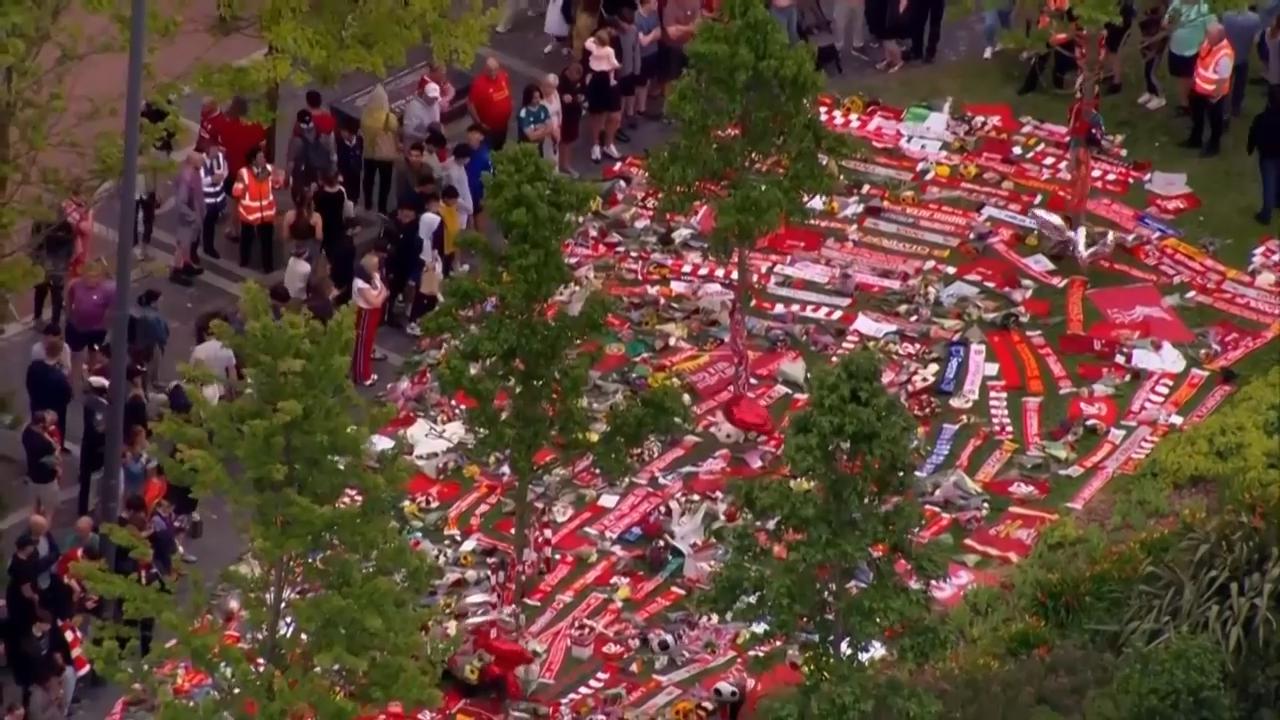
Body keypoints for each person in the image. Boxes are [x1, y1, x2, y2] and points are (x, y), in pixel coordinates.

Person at [1184, 21, 1234, 157]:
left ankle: (1214, 145)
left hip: (1213, 95)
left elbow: (1223, 79)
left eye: (1209, 34)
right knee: (1197, 116)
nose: (1206, 36)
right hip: (1199, 89)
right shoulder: (1209, 42)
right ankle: (1195, 139)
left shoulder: (1224, 55)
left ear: (1219, 37)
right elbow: (1202, 60)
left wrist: (1215, 95)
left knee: (1215, 121)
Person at [232, 146, 285, 273]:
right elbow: (236, 191)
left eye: (263, 156)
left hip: (266, 214)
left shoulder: (269, 170)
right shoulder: (243, 173)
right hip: (249, 214)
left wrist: (279, 178)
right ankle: (244, 261)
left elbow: (277, 185)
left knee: (267, 242)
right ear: (253, 160)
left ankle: (268, 266)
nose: (264, 159)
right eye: (260, 157)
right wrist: (242, 187)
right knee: (246, 240)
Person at [1165, 0, 1216, 113]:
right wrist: (1171, 21)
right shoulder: (1176, 4)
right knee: (1182, 77)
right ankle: (1185, 104)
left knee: (1194, 78)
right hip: (1176, 48)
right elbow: (1166, 24)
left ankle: (1197, 104)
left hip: (1195, 51)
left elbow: (1212, 30)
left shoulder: (1205, 8)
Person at [64, 261, 116, 370]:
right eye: (88, 276)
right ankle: (75, 376)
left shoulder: (108, 289)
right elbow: (69, 299)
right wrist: (68, 315)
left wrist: (106, 324)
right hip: (77, 327)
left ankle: (91, 371)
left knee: (94, 350)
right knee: (75, 353)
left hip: (97, 329)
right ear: (83, 275)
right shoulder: (75, 284)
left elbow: (112, 309)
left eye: (94, 276)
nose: (91, 280)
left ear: (100, 277)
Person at [360, 84, 400, 215]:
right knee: (384, 182)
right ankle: (382, 207)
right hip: (384, 155)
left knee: (368, 179)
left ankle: (367, 203)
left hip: (368, 153)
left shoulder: (365, 116)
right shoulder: (389, 117)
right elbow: (395, 129)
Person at [351, 251, 389, 387]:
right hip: (365, 314)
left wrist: (381, 295)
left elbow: (384, 290)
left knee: (368, 343)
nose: (378, 268)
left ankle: (363, 370)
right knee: (363, 345)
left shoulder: (373, 275)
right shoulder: (360, 283)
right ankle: (362, 375)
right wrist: (382, 295)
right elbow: (376, 300)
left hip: (373, 314)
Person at [26, 331, 72, 442]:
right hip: (54, 416)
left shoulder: (34, 367)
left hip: (36, 407)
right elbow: (67, 397)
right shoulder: (60, 378)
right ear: (60, 353)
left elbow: (28, 385)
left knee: (36, 438)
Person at [29, 219, 74, 328]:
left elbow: (68, 245)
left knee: (52, 294)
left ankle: (50, 322)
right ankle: (45, 320)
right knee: (47, 292)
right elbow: (34, 243)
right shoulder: (41, 223)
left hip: (52, 264)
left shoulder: (63, 224)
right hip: (50, 263)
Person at [385, 202, 423, 327]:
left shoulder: (413, 229)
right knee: (391, 291)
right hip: (395, 266)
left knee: (397, 290)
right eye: (403, 215)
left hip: (405, 266)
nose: (405, 218)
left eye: (408, 216)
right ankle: (387, 315)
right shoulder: (393, 227)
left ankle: (390, 312)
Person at [171, 149, 206, 286]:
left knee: (187, 245)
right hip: (187, 219)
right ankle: (176, 271)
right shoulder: (187, 177)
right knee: (182, 245)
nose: (203, 162)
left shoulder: (194, 173)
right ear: (192, 162)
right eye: (200, 160)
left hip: (192, 217)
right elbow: (181, 203)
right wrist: (193, 217)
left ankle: (186, 265)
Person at [77, 376, 108, 517]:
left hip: (89, 449)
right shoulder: (98, 406)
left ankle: (84, 510)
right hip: (95, 451)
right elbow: (98, 430)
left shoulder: (91, 403)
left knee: (86, 482)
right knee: (92, 483)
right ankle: (87, 512)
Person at [1248, 86, 1280, 223]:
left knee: (1269, 182)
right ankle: (1278, 201)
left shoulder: (1262, 118)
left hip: (1268, 156)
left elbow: (1253, 134)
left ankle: (1266, 214)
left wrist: (1250, 148)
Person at [190, 313, 238, 404]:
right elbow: (232, 374)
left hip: (207, 393)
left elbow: (196, 375)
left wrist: (197, 396)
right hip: (223, 392)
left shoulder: (199, 350)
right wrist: (233, 394)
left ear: (204, 333)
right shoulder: (227, 348)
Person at [1222, 7, 1261, 117]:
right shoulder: (1255, 19)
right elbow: (1256, 40)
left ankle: (1223, 109)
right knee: (1240, 83)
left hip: (1226, 56)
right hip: (1242, 57)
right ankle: (1236, 107)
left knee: (1224, 84)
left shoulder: (1225, 16)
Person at [127, 289, 169, 390]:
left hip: (134, 346)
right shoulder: (153, 317)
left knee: (139, 368)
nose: (162, 303)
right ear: (154, 302)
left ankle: (143, 386)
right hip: (150, 347)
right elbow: (161, 335)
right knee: (149, 369)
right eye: (160, 301)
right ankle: (147, 388)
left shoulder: (136, 311)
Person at [470, 58, 515, 152]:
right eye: (490, 70)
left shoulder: (503, 76)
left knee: (500, 147)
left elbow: (508, 91)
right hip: (489, 128)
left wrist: (510, 104)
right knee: (489, 151)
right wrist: (479, 123)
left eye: (496, 69)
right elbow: (471, 105)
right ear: (485, 69)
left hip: (503, 125)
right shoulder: (478, 84)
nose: (493, 73)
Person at [287, 109, 337, 191]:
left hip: (305, 177)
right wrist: (332, 170)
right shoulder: (322, 135)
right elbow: (332, 155)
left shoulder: (297, 140)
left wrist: (287, 178)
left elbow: (290, 163)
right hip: (322, 173)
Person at [21, 415, 60, 520]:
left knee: (33, 508)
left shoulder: (27, 433)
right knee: (49, 512)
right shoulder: (45, 445)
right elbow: (54, 461)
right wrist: (55, 449)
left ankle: (33, 528)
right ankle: (42, 531)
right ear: (40, 425)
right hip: (47, 480)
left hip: (33, 476)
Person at [199, 137, 229, 260]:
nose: (216, 152)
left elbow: (226, 169)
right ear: (207, 150)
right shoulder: (200, 161)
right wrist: (212, 179)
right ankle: (205, 247)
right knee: (204, 226)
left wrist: (223, 176)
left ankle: (209, 247)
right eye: (213, 149)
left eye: (217, 149)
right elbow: (199, 181)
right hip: (206, 201)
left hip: (217, 199)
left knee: (211, 225)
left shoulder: (220, 158)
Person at [1138, 0, 1170, 109]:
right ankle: (1150, 92)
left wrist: (1150, 41)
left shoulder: (1165, 11)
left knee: (1151, 73)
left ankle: (1160, 97)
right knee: (1146, 70)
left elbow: (1165, 32)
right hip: (1147, 42)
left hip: (1156, 46)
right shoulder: (1149, 8)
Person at [634, 0, 663, 118]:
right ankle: (638, 108)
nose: (656, 4)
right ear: (646, 3)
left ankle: (642, 107)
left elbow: (659, 33)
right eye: (654, 2)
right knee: (640, 82)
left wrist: (650, 35)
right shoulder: (637, 18)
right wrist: (653, 34)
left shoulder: (654, 14)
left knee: (647, 81)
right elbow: (643, 42)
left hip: (652, 53)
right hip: (641, 56)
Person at [1101, 0, 1136, 94]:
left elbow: (1124, 22)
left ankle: (1117, 82)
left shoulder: (1126, 7)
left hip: (1118, 31)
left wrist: (1107, 28)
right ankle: (1109, 74)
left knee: (1114, 55)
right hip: (1114, 27)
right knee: (1108, 52)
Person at [464, 125, 494, 229]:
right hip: (466, 192)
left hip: (478, 194)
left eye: (473, 133)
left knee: (479, 219)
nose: (470, 136)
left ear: (481, 137)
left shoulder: (486, 156)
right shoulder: (465, 151)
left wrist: (485, 196)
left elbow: (490, 177)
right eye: (469, 134)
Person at [283, 184, 323, 263]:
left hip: (294, 249)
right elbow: (319, 237)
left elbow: (286, 236)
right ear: (311, 202)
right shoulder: (316, 216)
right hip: (311, 250)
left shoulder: (288, 215)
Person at [441, 145, 475, 230]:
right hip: (457, 203)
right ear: (462, 158)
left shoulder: (457, 163)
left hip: (463, 197)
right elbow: (454, 194)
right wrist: (468, 207)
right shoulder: (452, 172)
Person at [393, 142, 433, 212]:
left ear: (422, 157)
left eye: (417, 156)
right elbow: (400, 193)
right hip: (407, 198)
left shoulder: (427, 169)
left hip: (423, 199)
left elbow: (431, 189)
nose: (413, 158)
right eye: (411, 156)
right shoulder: (403, 170)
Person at [403, 81, 443, 147]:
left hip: (432, 145)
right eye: (430, 98)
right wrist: (425, 136)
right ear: (424, 94)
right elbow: (407, 131)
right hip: (414, 146)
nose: (433, 100)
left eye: (435, 98)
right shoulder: (412, 108)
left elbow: (437, 121)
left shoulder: (436, 104)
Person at [518, 83, 554, 153]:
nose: (538, 100)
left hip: (539, 147)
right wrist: (544, 128)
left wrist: (537, 129)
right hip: (526, 149)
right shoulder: (523, 113)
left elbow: (550, 128)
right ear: (529, 98)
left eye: (539, 97)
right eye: (535, 98)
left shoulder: (543, 109)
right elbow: (531, 137)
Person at [336, 119, 364, 206]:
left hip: (355, 172)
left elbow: (360, 152)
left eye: (343, 131)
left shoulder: (359, 140)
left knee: (354, 194)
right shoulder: (339, 142)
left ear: (351, 133)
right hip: (343, 172)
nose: (341, 132)